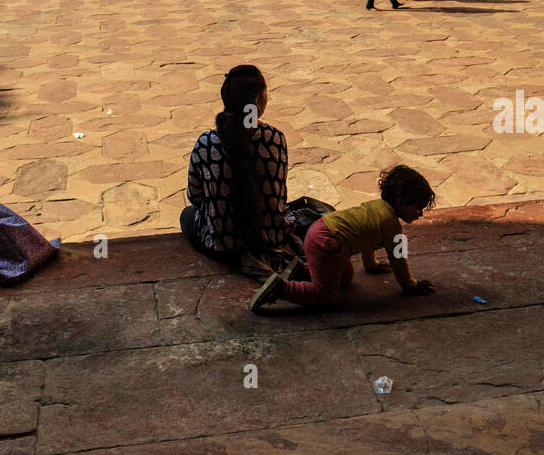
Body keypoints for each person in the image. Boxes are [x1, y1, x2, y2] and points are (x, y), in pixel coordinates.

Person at [251, 163, 435, 311]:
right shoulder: (393, 227)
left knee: (346, 277)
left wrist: (371, 265)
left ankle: (302, 272)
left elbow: (367, 237)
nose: (420, 214)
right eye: (419, 207)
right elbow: (399, 260)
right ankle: (280, 289)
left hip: (320, 232)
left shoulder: (378, 207)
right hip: (327, 244)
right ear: (402, 201)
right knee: (325, 295)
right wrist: (410, 285)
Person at [181, 65, 299, 274]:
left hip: (222, 245)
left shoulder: (206, 143)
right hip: (271, 236)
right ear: (256, 103)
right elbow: (278, 193)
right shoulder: (275, 138)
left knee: (187, 215)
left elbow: (195, 197)